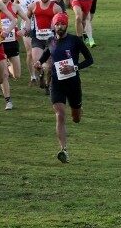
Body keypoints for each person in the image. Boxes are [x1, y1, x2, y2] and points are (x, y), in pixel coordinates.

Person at [37, 13, 93, 163]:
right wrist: (38, 63)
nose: (59, 27)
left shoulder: (75, 41)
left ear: (66, 25)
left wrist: (75, 67)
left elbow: (90, 59)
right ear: (53, 26)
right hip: (57, 84)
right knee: (60, 114)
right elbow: (43, 57)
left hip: (73, 84)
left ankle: (78, 109)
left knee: (76, 119)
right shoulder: (51, 41)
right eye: (56, 24)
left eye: (62, 24)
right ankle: (63, 150)